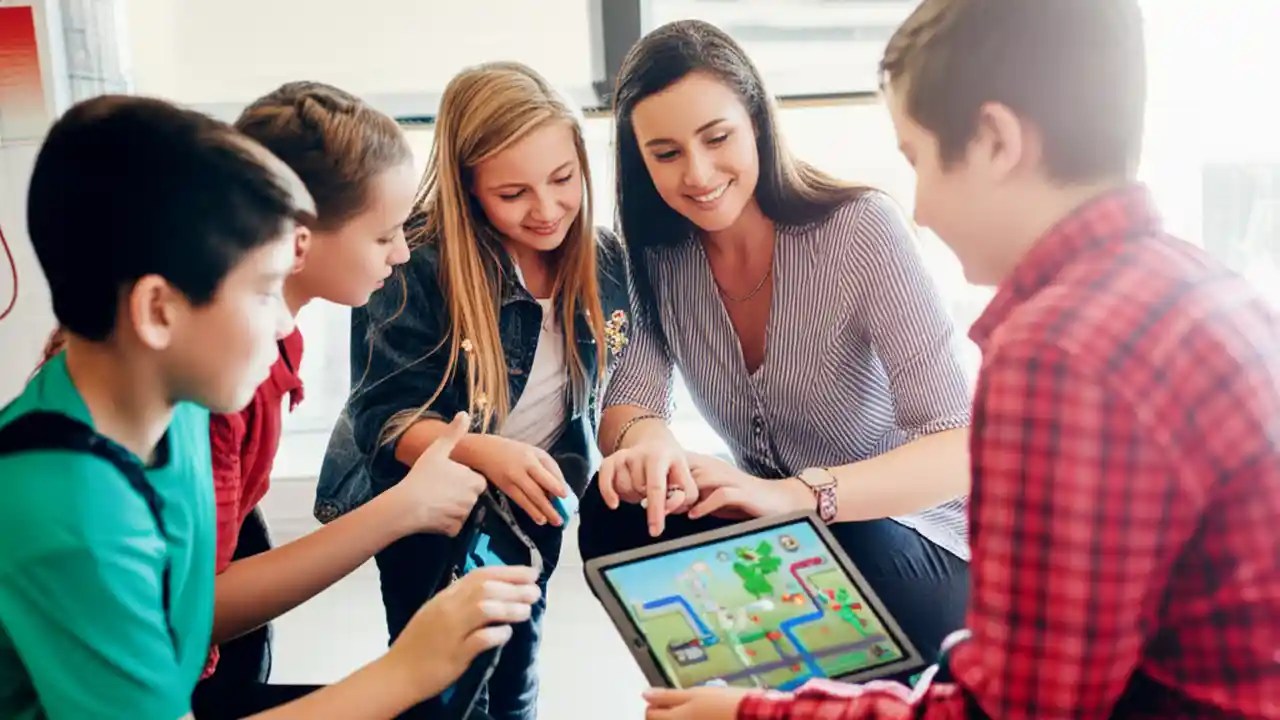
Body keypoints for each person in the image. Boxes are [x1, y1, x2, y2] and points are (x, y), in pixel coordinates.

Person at [644, 1, 1280, 718]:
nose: (920, 208)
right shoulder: (1208, 287)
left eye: (918, 161)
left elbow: (1008, 713)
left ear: (995, 141)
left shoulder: (1059, 350)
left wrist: (750, 713)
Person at [0, 95, 538, 720]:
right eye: (262, 294)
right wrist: (403, 673)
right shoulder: (74, 511)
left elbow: (183, 618)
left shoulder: (161, 428)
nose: (281, 324)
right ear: (157, 311)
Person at [579, 18, 972, 663]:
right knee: (617, 505)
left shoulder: (858, 230)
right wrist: (651, 451)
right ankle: (748, 684)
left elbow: (959, 445)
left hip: (918, 542)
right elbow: (631, 403)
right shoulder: (654, 259)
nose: (698, 174)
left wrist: (797, 496)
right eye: (666, 153)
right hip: (780, 537)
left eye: (717, 137)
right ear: (639, 160)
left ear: (757, 122)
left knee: (850, 541)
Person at [319, 62, 631, 720]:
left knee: (514, 675)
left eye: (562, 180)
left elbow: (630, 379)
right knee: (438, 689)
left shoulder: (604, 260)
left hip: (533, 505)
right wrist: (487, 454)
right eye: (513, 193)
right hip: (428, 514)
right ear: (469, 187)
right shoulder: (414, 262)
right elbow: (385, 415)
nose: (545, 210)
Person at [188, 81, 496, 718]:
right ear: (298, 238)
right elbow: (198, 609)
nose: (404, 253)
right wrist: (404, 509)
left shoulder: (281, 340)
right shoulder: (218, 378)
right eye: (383, 236)